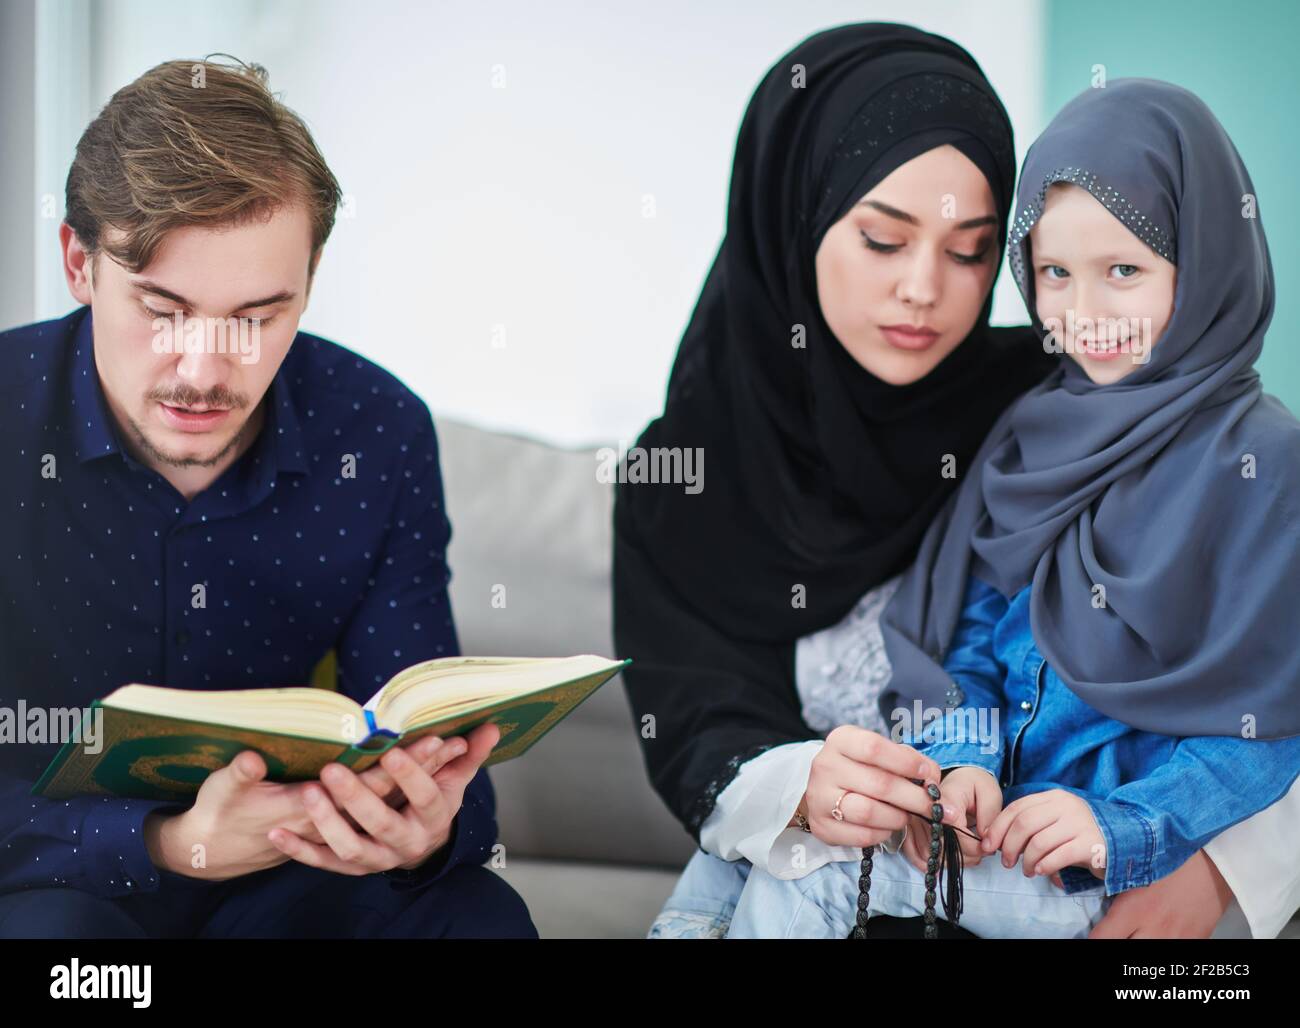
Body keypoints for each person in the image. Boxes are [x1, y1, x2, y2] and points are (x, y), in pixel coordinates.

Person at [614, 24, 1300, 939]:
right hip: (907, 850)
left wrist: (1226, 867)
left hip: (1061, 870)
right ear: (795, 214)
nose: (924, 290)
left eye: (971, 248)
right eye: (882, 239)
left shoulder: (1071, 397)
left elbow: (1268, 691)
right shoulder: (682, 479)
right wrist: (804, 786)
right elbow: (706, 740)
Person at [0, 57, 535, 938]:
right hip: (54, 888)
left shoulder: (379, 430)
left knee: (476, 915)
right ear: (78, 263)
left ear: (311, 280)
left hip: (288, 886)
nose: (204, 371)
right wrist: (167, 842)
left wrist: (425, 829)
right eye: (163, 310)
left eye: (255, 317)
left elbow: (422, 733)